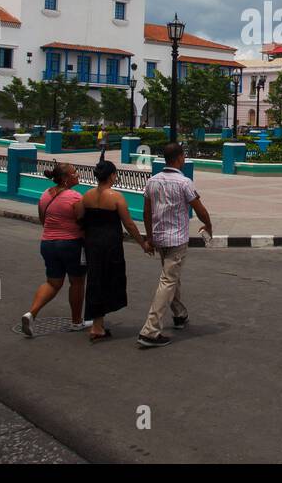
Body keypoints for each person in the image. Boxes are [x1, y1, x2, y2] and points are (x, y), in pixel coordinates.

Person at [138, 143, 213, 348]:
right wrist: (208, 225)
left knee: (171, 277)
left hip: (160, 238)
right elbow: (199, 209)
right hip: (177, 239)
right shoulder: (184, 182)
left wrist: (150, 237)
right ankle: (150, 331)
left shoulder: (152, 181)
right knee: (168, 280)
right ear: (179, 158)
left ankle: (179, 314)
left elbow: (146, 212)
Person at [81, 159, 152, 342]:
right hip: (110, 244)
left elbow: (80, 218)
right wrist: (143, 244)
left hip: (91, 243)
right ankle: (97, 327)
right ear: (112, 175)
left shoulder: (86, 195)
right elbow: (129, 224)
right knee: (109, 280)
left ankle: (98, 322)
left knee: (95, 280)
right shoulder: (116, 197)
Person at [21, 162, 89, 337]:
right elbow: (83, 223)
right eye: (75, 173)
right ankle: (76, 322)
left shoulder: (45, 195)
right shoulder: (75, 197)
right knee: (77, 282)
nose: (78, 175)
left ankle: (32, 313)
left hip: (48, 243)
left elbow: (43, 219)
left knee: (53, 282)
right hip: (71, 244)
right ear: (66, 179)